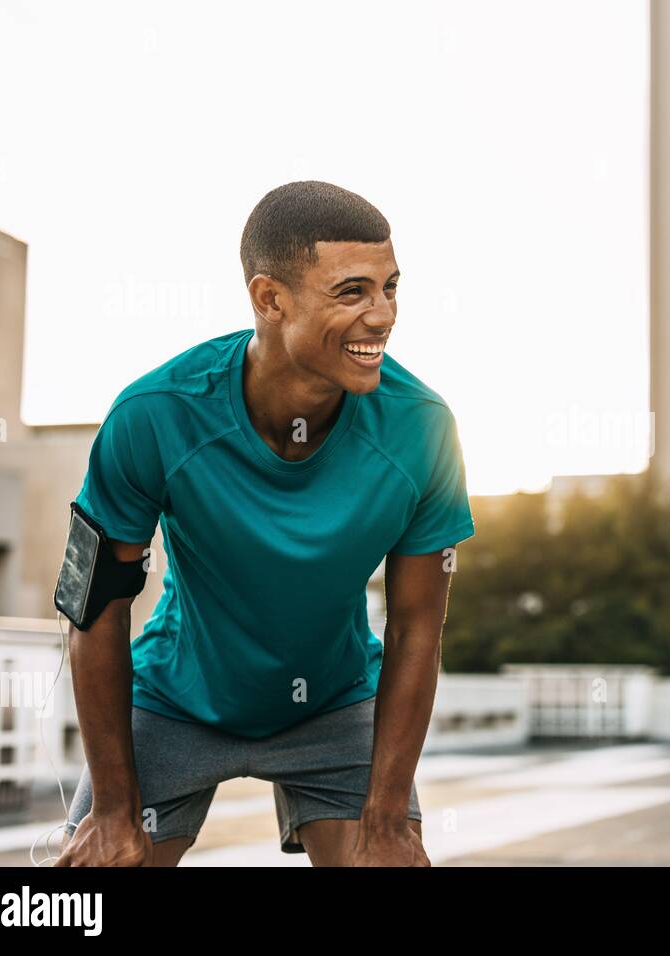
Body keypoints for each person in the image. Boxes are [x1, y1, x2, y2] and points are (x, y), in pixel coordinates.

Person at [56, 180, 475, 866]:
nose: (382, 315)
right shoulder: (153, 415)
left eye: (390, 287)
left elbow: (416, 627)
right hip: (178, 699)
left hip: (334, 703)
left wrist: (390, 814)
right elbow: (94, 608)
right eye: (352, 292)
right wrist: (112, 811)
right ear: (269, 298)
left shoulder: (422, 430)